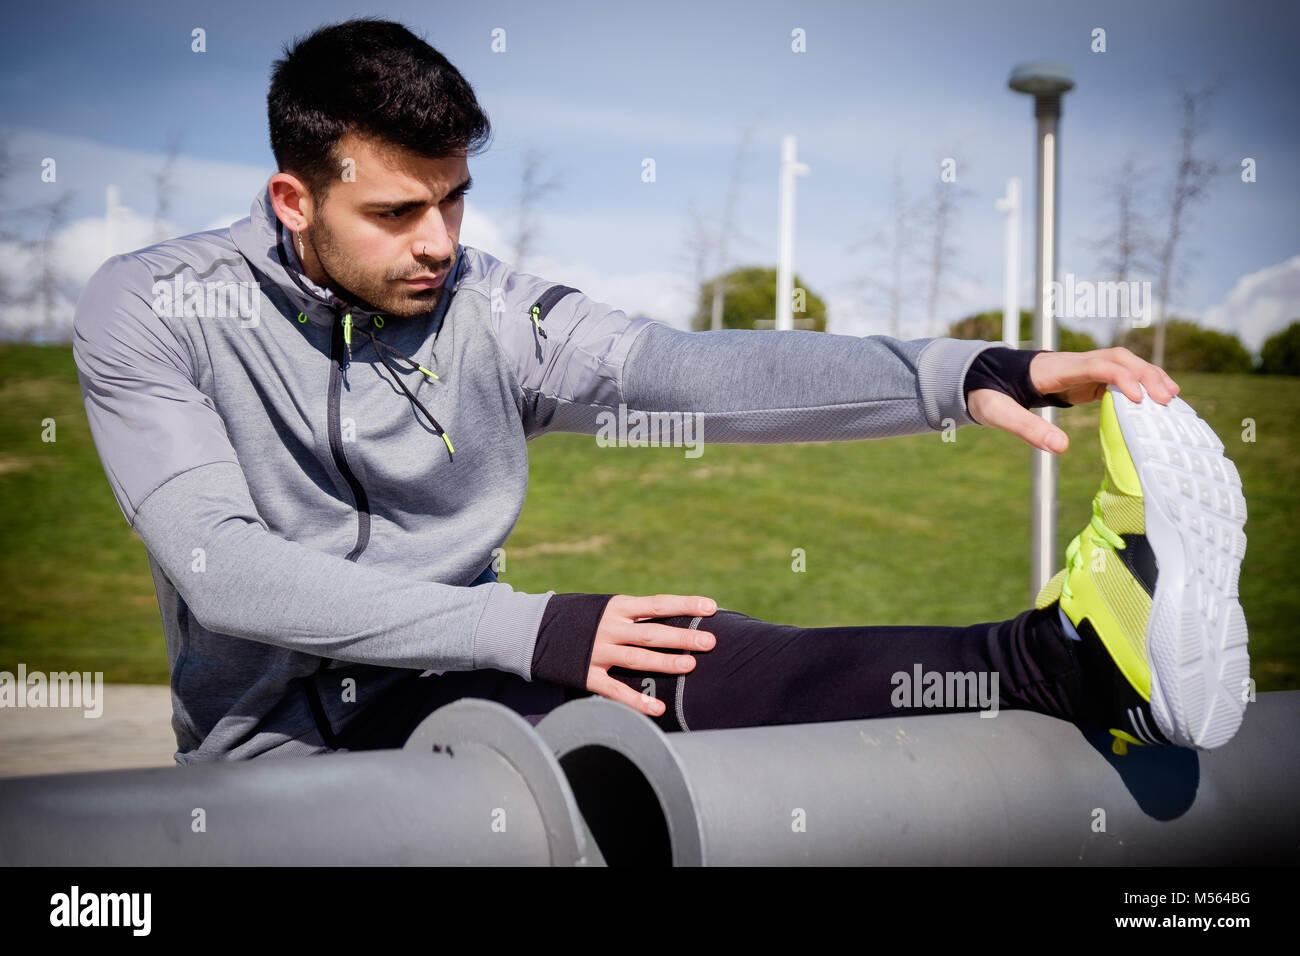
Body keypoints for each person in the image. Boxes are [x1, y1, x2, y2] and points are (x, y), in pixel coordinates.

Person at [72, 18, 1248, 766]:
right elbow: (223, 566)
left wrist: (961, 371)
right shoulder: (153, 305)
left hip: (462, 677)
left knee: (688, 653)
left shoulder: (483, 302)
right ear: (292, 200)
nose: (438, 242)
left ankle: (1070, 661)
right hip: (284, 752)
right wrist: (530, 626)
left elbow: (684, 369)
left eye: (456, 200)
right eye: (395, 212)